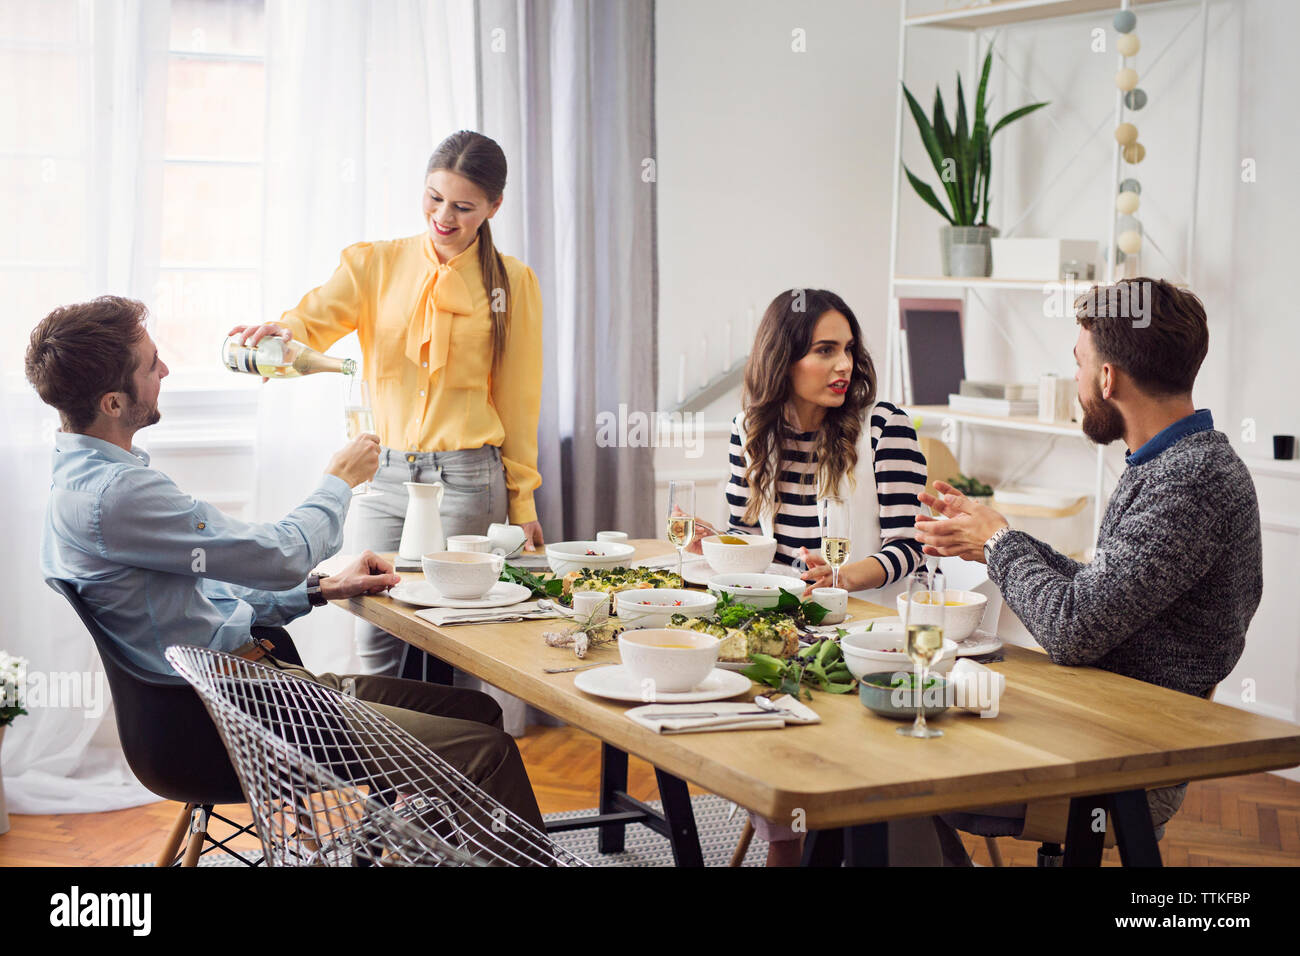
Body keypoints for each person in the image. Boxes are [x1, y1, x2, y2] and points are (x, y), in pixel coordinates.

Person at [28, 296, 546, 832]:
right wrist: (339, 480)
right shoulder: (118, 495)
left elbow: (206, 596)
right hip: (241, 714)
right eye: (150, 363)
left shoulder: (78, 480)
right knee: (488, 751)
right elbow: (281, 556)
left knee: (473, 713)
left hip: (249, 687)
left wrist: (321, 589)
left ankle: (397, 854)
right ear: (113, 403)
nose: (165, 369)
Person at [914, 278, 1262, 864]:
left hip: (1119, 762)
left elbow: (1074, 626)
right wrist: (993, 538)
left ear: (1108, 378)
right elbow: (1100, 591)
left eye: (1078, 364)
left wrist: (999, 543)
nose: (1075, 382)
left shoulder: (1190, 482)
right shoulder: (1174, 462)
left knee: (896, 770)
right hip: (1098, 725)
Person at [230, 130, 544, 679]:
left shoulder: (512, 283)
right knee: (376, 634)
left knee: (458, 642)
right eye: (433, 197)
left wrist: (524, 505)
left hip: (470, 479)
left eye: (463, 206)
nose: (443, 216)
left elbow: (519, 401)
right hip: (385, 477)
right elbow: (312, 322)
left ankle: (456, 762)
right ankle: (384, 762)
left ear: (494, 206)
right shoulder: (374, 265)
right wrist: (278, 333)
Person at [692, 288, 934, 866]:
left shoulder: (885, 429)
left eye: (848, 349)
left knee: (775, 705)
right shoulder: (749, 429)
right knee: (727, 690)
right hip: (784, 626)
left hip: (866, 634)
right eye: (825, 350)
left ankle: (793, 848)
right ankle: (794, 838)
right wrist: (718, 542)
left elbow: (913, 545)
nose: (843, 365)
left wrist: (845, 578)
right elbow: (745, 543)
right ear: (784, 359)